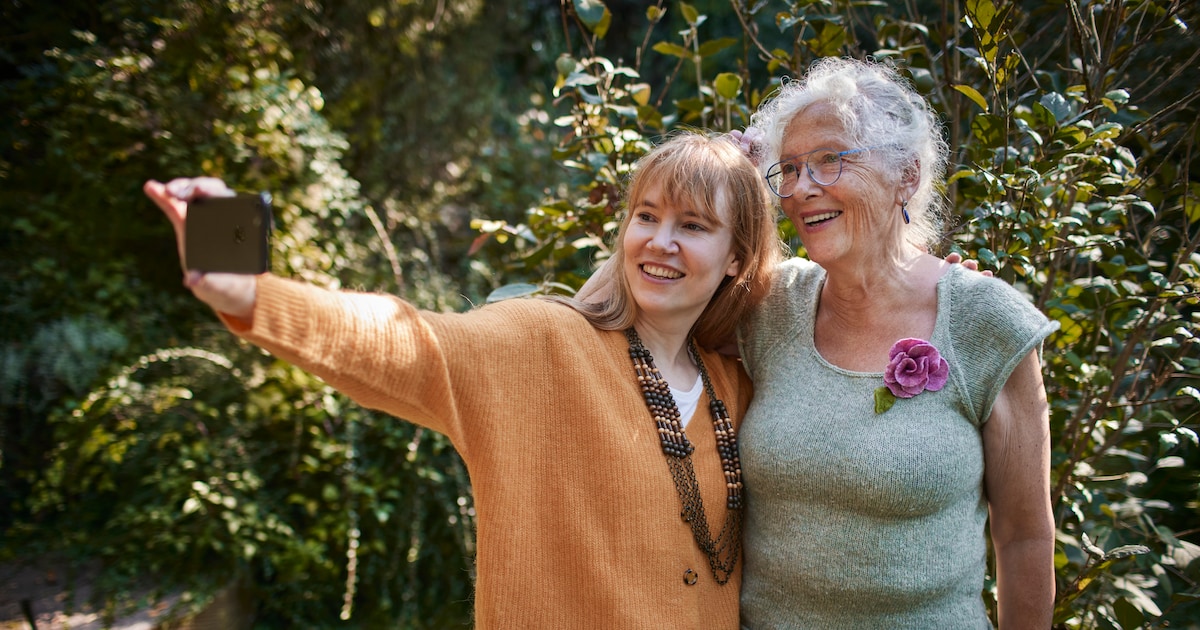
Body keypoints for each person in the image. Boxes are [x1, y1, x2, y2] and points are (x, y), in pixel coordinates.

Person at [144, 131, 784, 628]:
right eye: (646, 216)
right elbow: (411, 343)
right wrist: (250, 293)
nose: (660, 241)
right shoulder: (545, 344)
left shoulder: (733, 387)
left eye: (692, 226)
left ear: (736, 257)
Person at [735, 57, 1057, 628]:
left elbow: (1024, 537)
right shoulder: (767, 305)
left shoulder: (985, 321)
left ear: (906, 176)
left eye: (829, 159)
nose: (801, 188)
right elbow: (637, 307)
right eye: (788, 169)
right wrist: (716, 166)